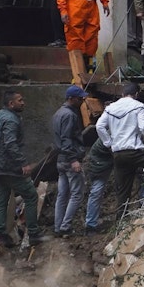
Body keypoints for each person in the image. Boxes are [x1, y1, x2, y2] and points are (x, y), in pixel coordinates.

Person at [0, 90, 47, 247]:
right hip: (8, 167)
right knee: (31, 195)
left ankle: (1, 235)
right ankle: (33, 233)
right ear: (11, 103)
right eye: (20, 100)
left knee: (1, 200)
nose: (23, 102)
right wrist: (22, 163)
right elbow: (10, 143)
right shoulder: (11, 120)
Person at [96, 82, 144, 217]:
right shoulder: (139, 106)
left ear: (122, 94)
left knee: (123, 190)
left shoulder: (111, 108)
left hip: (118, 154)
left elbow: (99, 126)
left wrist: (109, 143)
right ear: (136, 94)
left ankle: (121, 220)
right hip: (135, 153)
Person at [52, 85, 88, 237]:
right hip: (69, 160)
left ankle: (57, 227)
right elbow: (66, 139)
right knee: (76, 195)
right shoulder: (69, 115)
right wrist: (74, 159)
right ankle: (65, 227)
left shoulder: (58, 113)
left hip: (60, 160)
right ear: (71, 98)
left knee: (62, 195)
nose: (82, 101)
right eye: (80, 99)